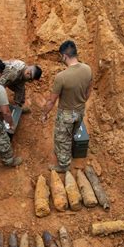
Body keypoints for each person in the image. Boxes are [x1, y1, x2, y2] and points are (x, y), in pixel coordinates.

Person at [41, 40, 92, 173]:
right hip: (80, 110)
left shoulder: (61, 77)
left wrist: (45, 113)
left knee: (62, 139)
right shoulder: (88, 69)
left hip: (66, 114)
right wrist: (80, 101)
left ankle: (63, 166)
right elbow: (88, 92)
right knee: (72, 133)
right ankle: (67, 151)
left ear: (64, 56)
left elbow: (51, 101)